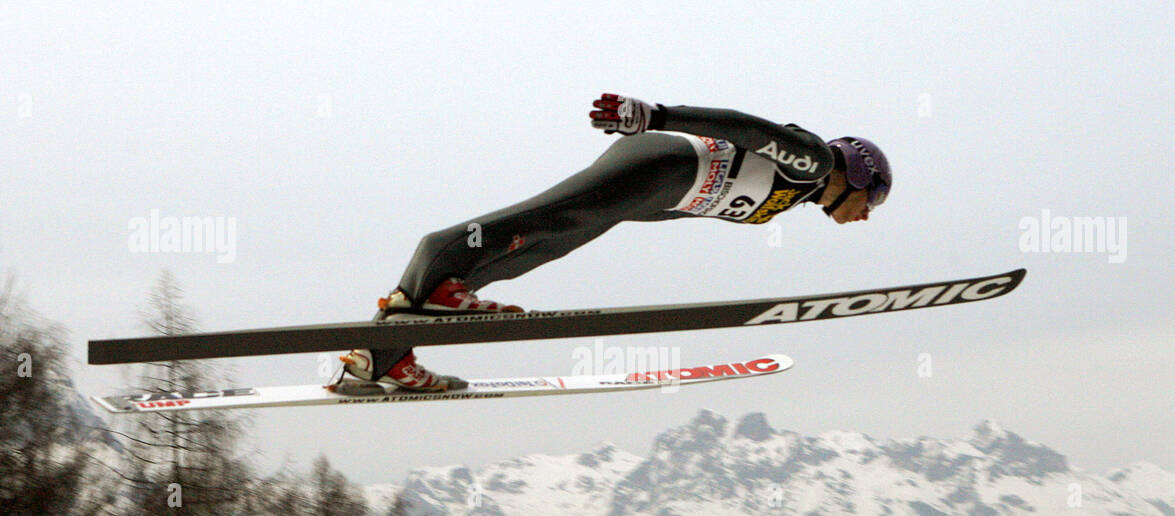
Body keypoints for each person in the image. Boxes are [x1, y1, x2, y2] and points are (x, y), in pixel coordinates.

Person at [336, 93, 892, 393]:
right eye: (873, 203)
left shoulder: (796, 198)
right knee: (539, 220)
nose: (866, 218)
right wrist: (655, 116)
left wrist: (624, 213)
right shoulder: (814, 162)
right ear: (861, 177)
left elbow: (703, 203)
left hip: (654, 194)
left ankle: (384, 356)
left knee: (543, 244)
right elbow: (742, 127)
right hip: (658, 163)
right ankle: (434, 264)